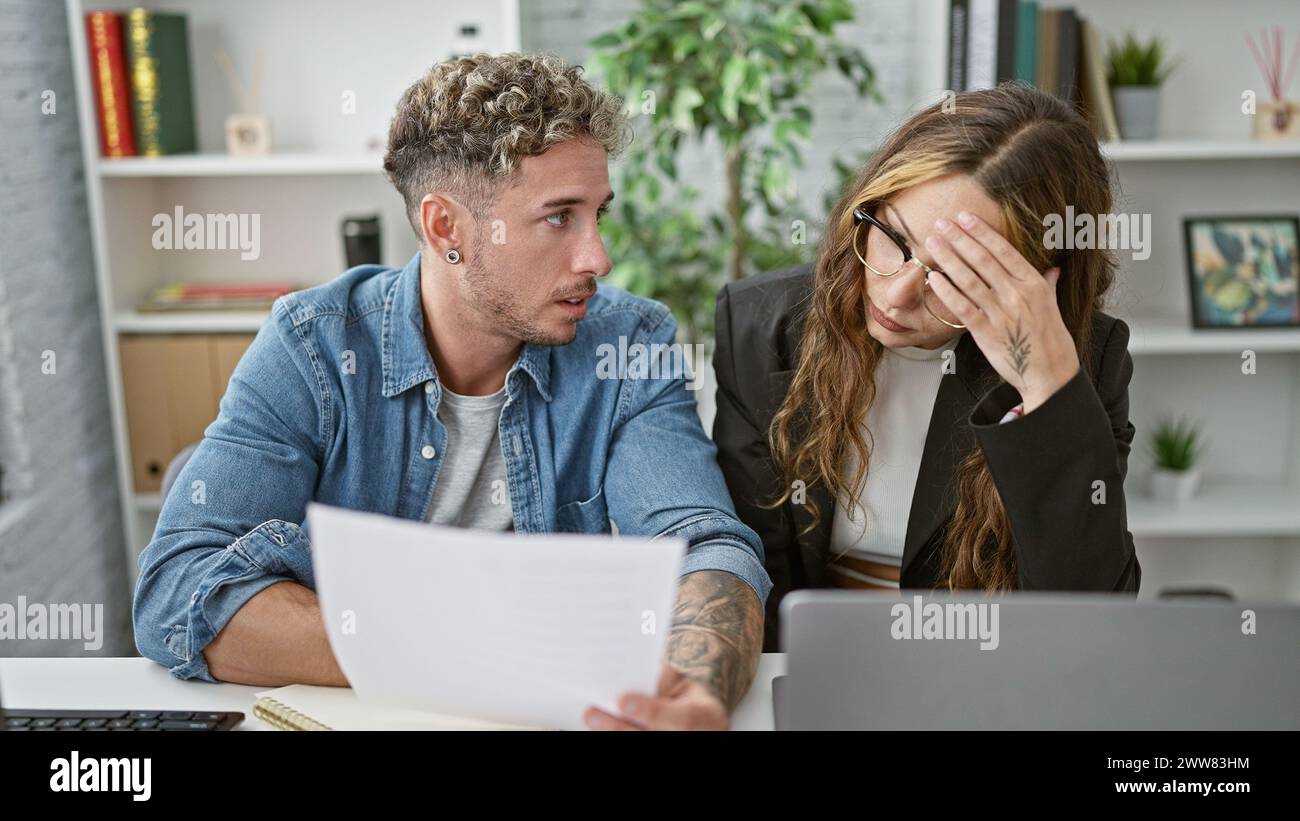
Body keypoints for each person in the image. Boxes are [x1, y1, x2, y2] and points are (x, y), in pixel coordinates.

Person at [133, 53, 769, 730]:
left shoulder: (628, 344)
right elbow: (177, 590)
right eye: (559, 218)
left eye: (597, 215)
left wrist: (696, 691)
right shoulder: (312, 347)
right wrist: (485, 658)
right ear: (446, 229)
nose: (598, 258)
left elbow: (703, 544)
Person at [712, 83, 1141, 650]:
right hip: (807, 660)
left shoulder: (1085, 358)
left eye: (956, 277)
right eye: (894, 238)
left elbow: (1089, 620)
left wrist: (1047, 386)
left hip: (976, 671)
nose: (895, 297)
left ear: (1033, 281)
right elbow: (752, 565)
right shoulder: (761, 325)